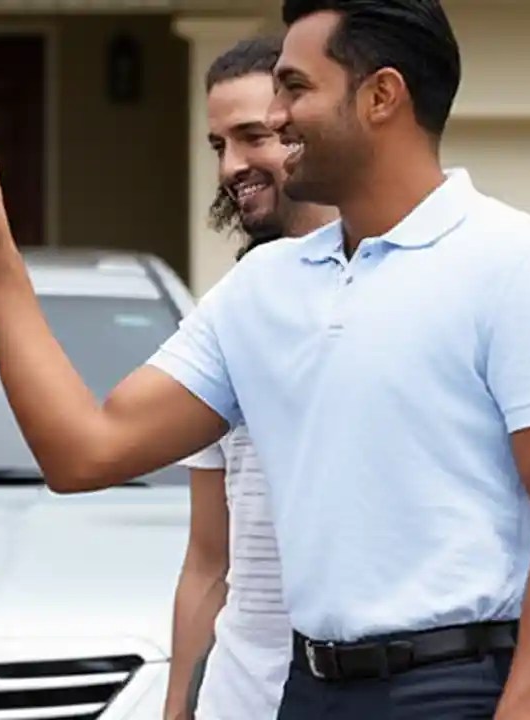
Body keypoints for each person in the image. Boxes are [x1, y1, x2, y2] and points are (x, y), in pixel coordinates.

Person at [0, 0, 530, 716]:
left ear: (382, 96)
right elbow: (85, 452)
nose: (280, 114)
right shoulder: (261, 289)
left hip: (450, 690)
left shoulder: (515, 261)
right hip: (304, 690)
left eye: (296, 87)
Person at [163, 35, 337, 720]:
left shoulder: (400, 290)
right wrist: (179, 706)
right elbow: (209, 560)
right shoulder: (225, 313)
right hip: (240, 700)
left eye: (252, 136)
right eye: (217, 146)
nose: (232, 166)